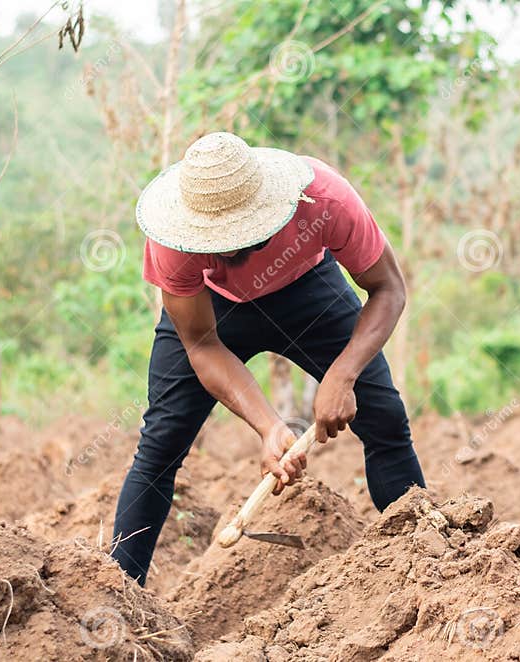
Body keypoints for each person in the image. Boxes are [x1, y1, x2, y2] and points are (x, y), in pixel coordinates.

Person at [110, 131, 426, 585]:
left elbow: (389, 288)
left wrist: (342, 375)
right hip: (211, 311)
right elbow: (200, 343)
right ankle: (119, 590)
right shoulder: (172, 240)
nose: (230, 251)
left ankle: (427, 564)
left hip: (308, 289)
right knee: (160, 444)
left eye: (244, 237)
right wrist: (271, 427)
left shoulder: (323, 198)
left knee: (385, 418)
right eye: (216, 244)